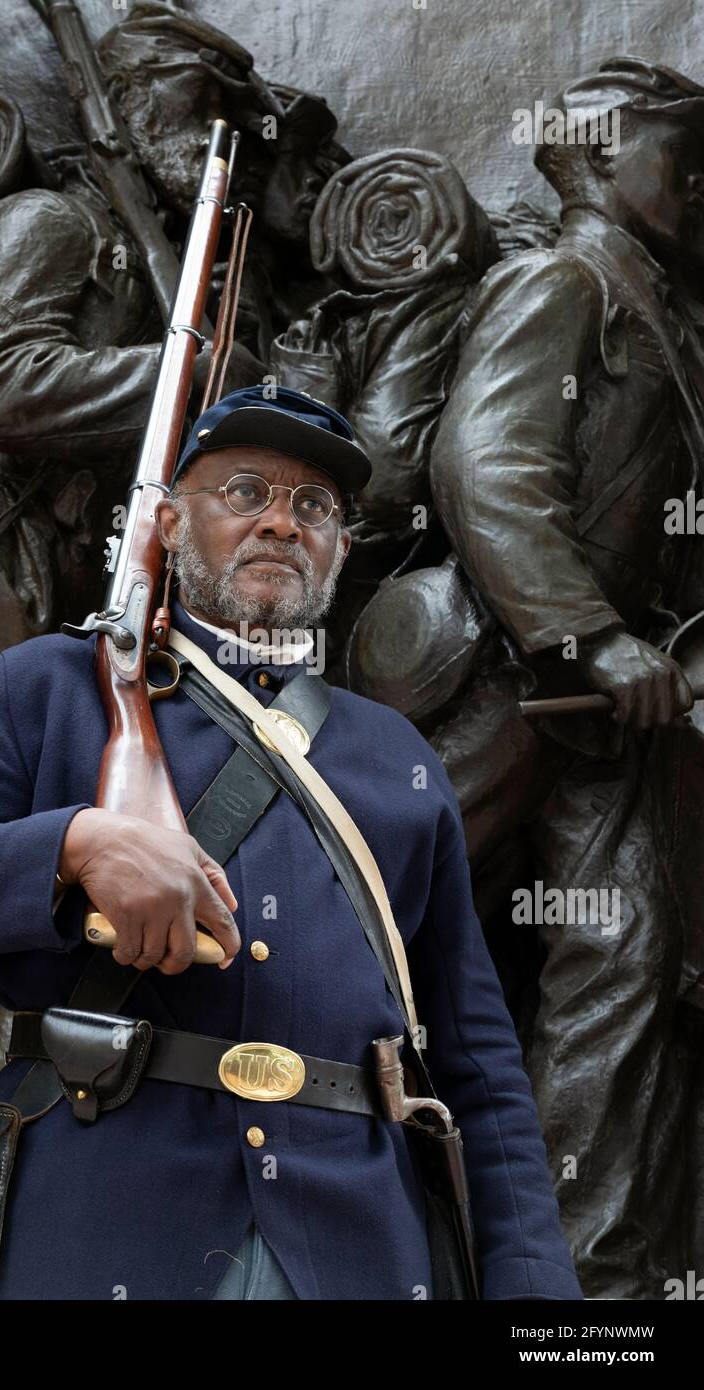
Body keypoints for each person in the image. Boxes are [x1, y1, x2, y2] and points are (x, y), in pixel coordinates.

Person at [0, 385, 583, 1301]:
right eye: (244, 491)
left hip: (356, 1251)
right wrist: (73, 844)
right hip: (99, 1231)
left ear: (342, 550)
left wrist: (537, 1298)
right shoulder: (48, 688)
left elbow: (475, 1061)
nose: (281, 522)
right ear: (168, 524)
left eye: (314, 507)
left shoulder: (397, 758)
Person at [423, 58, 704, 1297]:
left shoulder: (660, 305)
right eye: (674, 153)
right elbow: (485, 464)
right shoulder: (561, 280)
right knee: (353, 927)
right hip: (509, 689)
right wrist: (589, 636)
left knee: (622, 955)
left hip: (603, 723)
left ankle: (582, 1289)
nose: (696, 181)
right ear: (588, 159)